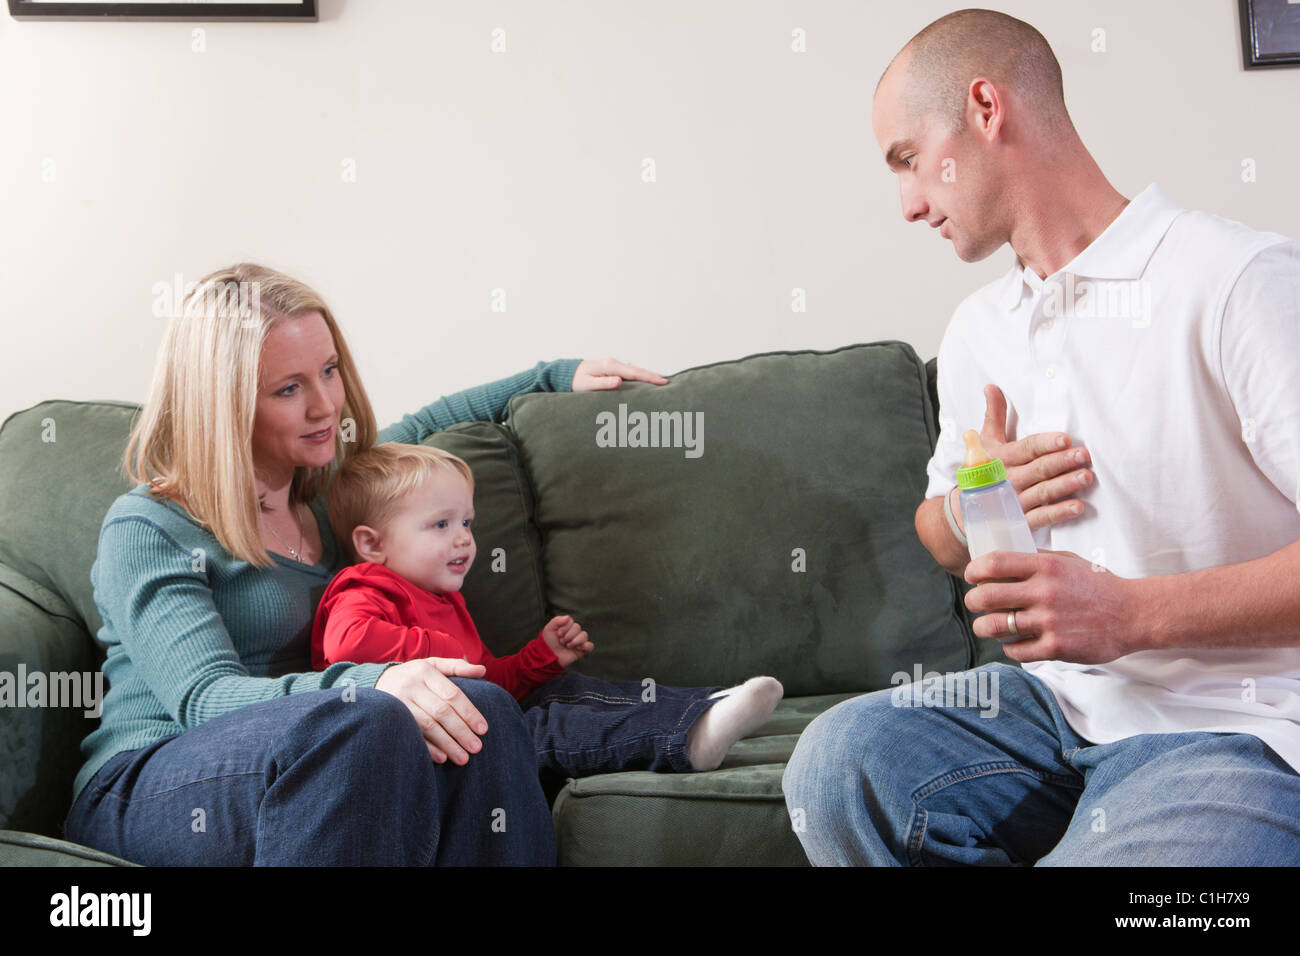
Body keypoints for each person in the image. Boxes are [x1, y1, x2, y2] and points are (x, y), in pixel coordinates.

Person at [782, 9, 1300, 865]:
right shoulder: (981, 327)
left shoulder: (1235, 281)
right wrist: (977, 503)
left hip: (1241, 725)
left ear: (986, 109)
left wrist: (1130, 613)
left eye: (908, 159)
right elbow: (939, 530)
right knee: (840, 766)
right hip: (1052, 709)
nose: (907, 204)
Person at [62, 261, 670, 865]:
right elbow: (203, 696)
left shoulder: (335, 501)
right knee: (369, 721)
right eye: (289, 389)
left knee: (477, 705)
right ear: (220, 405)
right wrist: (371, 682)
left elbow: (430, 423)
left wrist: (556, 375)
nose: (326, 405)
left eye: (329, 371)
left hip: (324, 752)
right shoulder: (149, 525)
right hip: (151, 781)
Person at [311, 442, 785, 776]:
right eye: (440, 524)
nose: (463, 539)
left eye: (467, 522)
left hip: (478, 716)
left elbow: (491, 682)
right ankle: (683, 739)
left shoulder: (444, 598)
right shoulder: (366, 586)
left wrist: (541, 657)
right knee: (547, 728)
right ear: (371, 544)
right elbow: (345, 643)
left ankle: (707, 707)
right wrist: (438, 647)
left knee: (569, 689)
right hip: (434, 744)